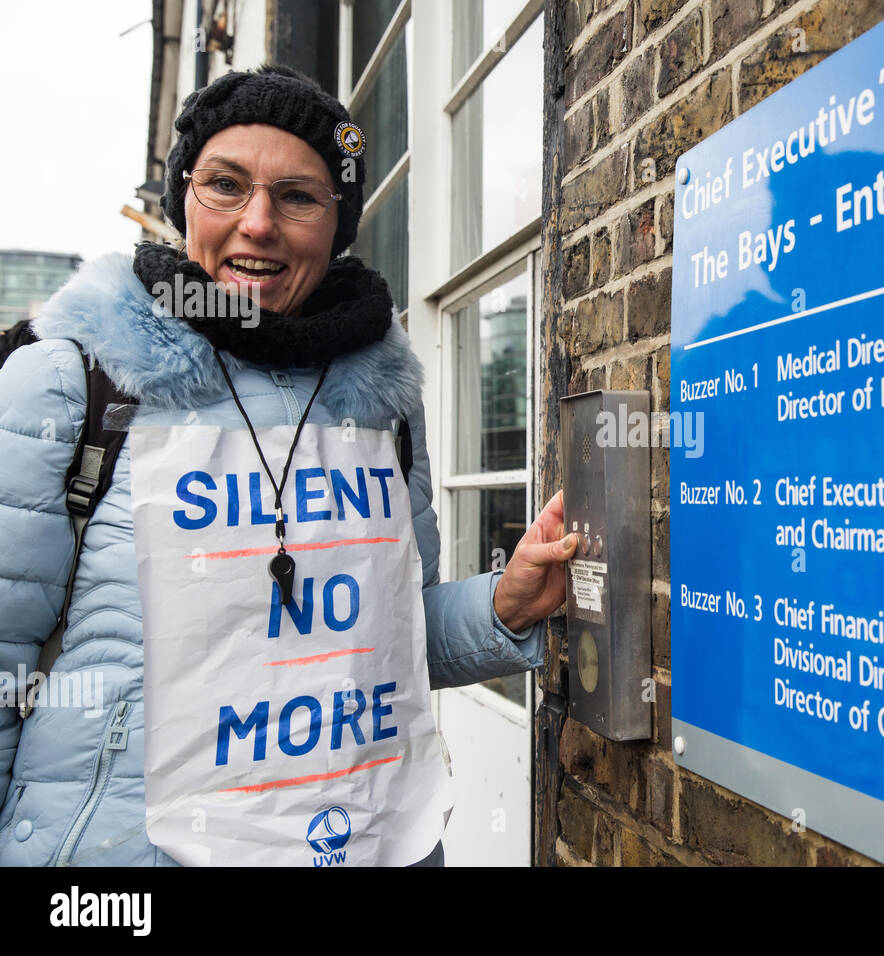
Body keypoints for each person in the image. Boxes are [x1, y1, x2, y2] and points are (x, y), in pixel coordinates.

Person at [0, 64, 576, 866]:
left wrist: (501, 609)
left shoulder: (383, 403)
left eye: (298, 196)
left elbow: (388, 637)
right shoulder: (74, 380)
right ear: (184, 200)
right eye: (226, 185)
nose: (258, 224)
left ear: (336, 222)